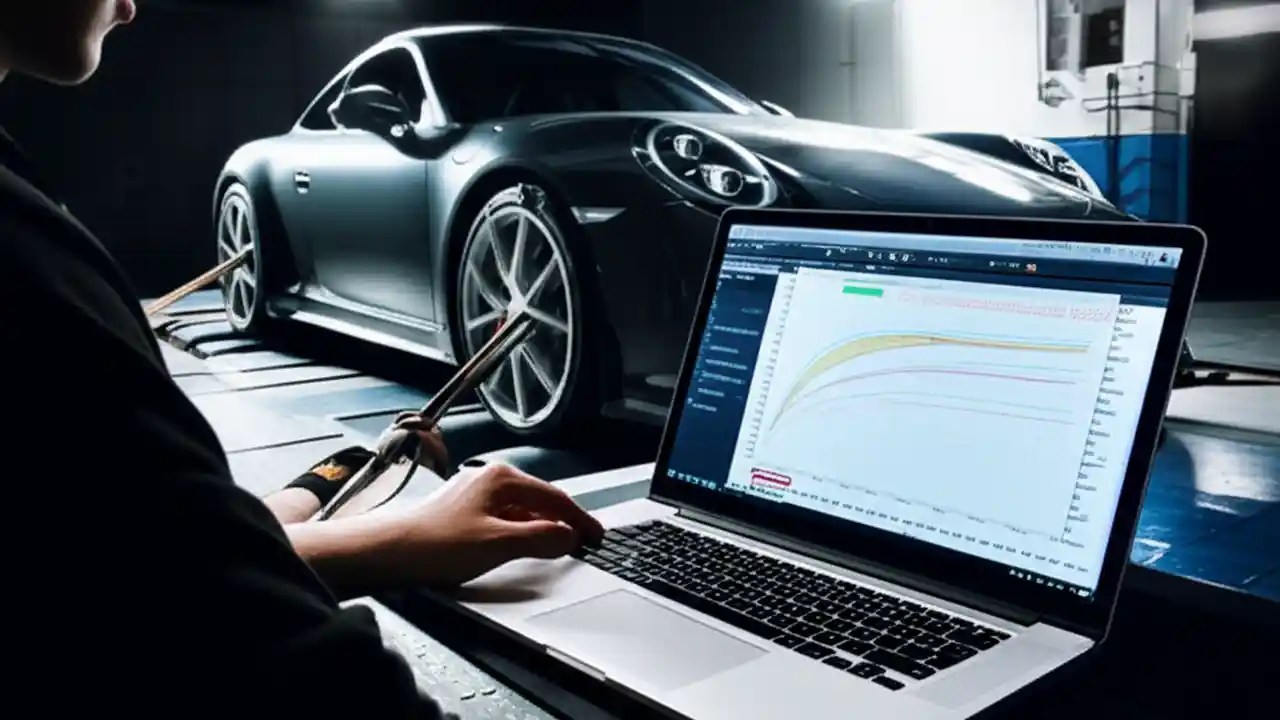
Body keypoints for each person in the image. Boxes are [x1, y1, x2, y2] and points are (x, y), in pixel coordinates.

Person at [0, 2, 602, 715]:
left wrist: (348, 484)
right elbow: (218, 618)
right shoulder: (24, 259)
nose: (131, 5)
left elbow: (131, 561)